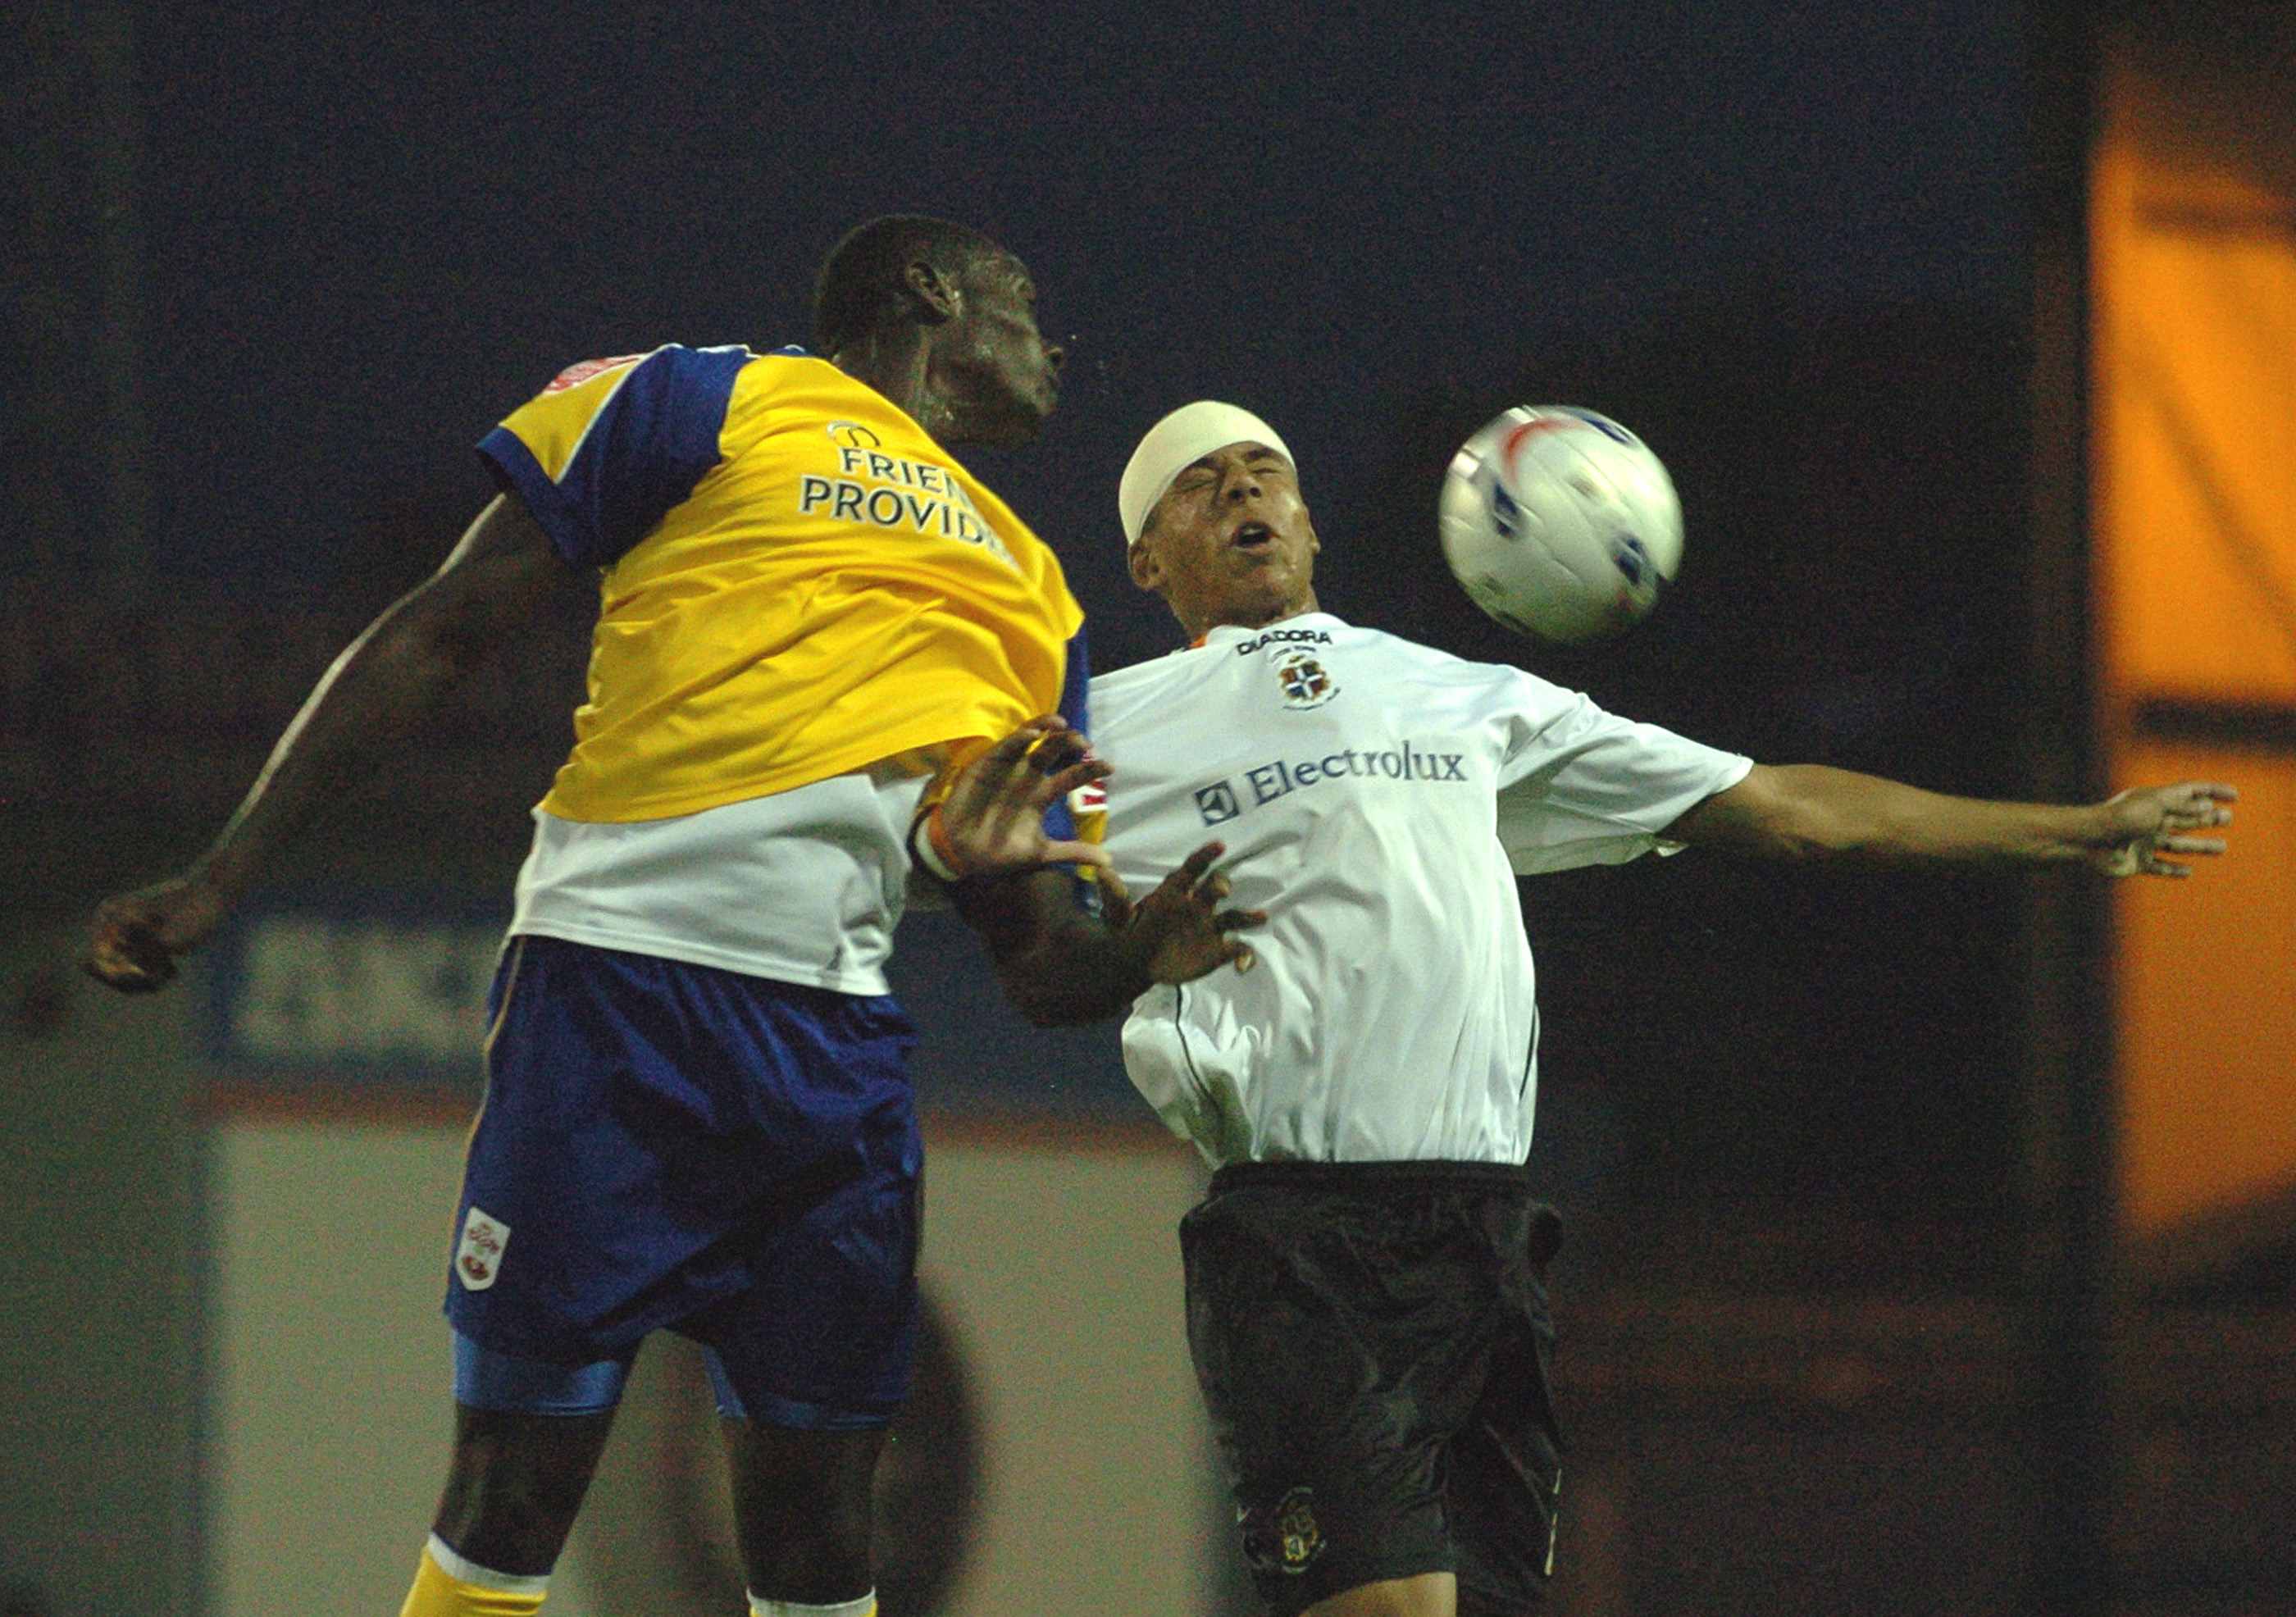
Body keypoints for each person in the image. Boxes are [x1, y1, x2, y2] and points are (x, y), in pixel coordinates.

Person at [84, 219, 1253, 1617]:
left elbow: (1041, 968)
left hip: (831, 1062)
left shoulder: (1031, 588)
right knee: (510, 1497)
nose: (1052, 336)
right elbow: (444, 627)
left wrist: (1125, 949)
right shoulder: (699, 397)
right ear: (933, 293)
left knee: (823, 1545)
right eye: (1023, 295)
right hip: (618, 994)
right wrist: (224, 870)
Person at [1067, 400, 2234, 1617]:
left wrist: (2080, 833)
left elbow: (1788, 807)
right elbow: (929, 849)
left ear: (1309, 522)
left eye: (1267, 474)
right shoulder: (1107, 725)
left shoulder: (1464, 699)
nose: (1246, 495)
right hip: (1299, 1241)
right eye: (1202, 487)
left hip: (1483, 1234)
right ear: (1148, 559)